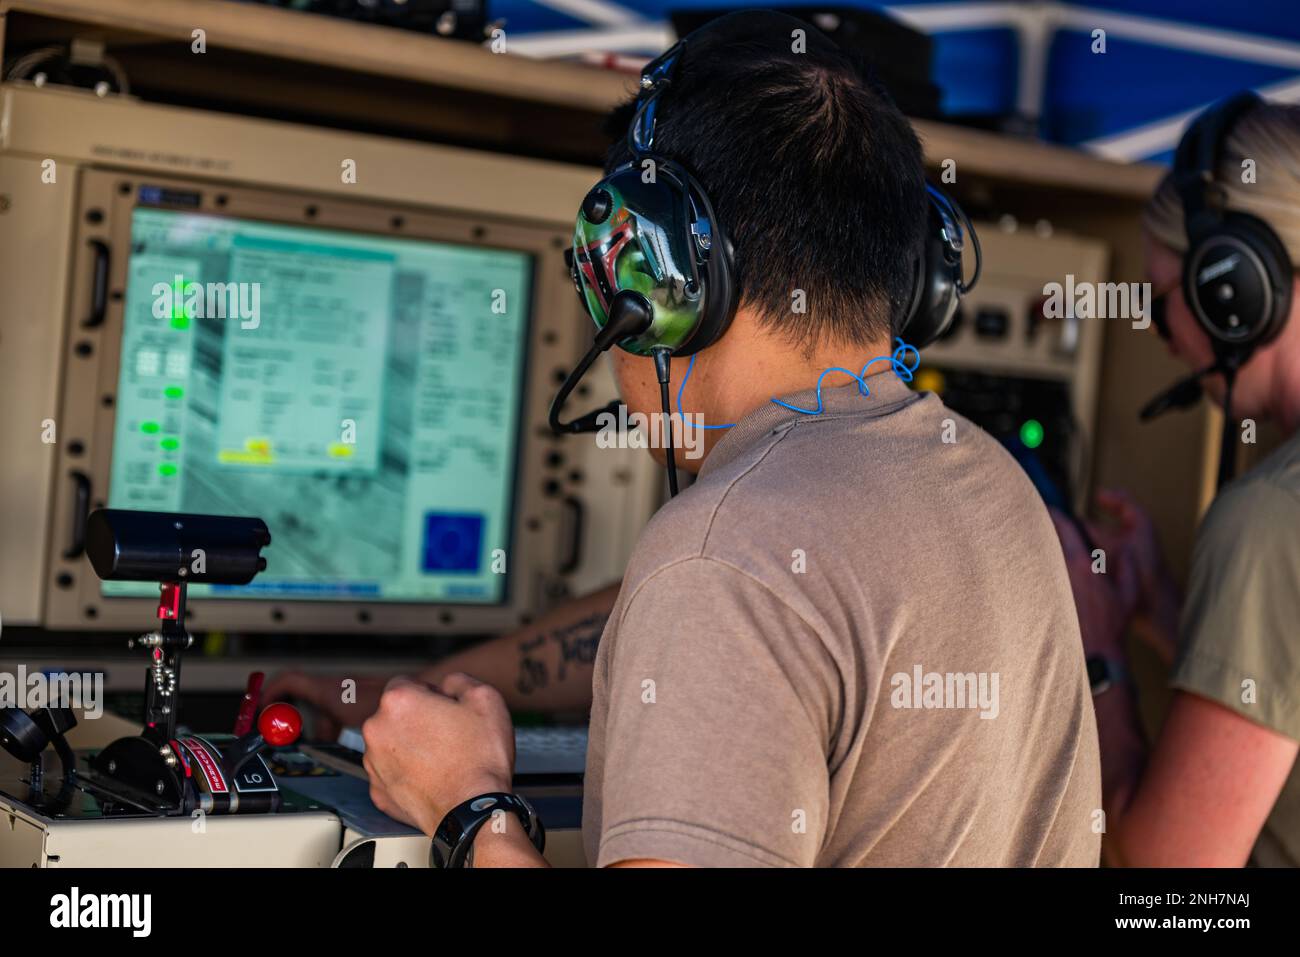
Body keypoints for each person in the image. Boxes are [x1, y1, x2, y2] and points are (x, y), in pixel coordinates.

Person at [272, 12, 1100, 868]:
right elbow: (774, 622)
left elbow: (735, 595)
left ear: (658, 277)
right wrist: (420, 689)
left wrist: (467, 810)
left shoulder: (727, 560)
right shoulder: (986, 481)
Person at [1051, 95, 1300, 867]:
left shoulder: (1268, 517)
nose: (1166, 345)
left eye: (1163, 309)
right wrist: (1164, 608)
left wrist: (1096, 652)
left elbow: (1171, 881)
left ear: (1232, 287)